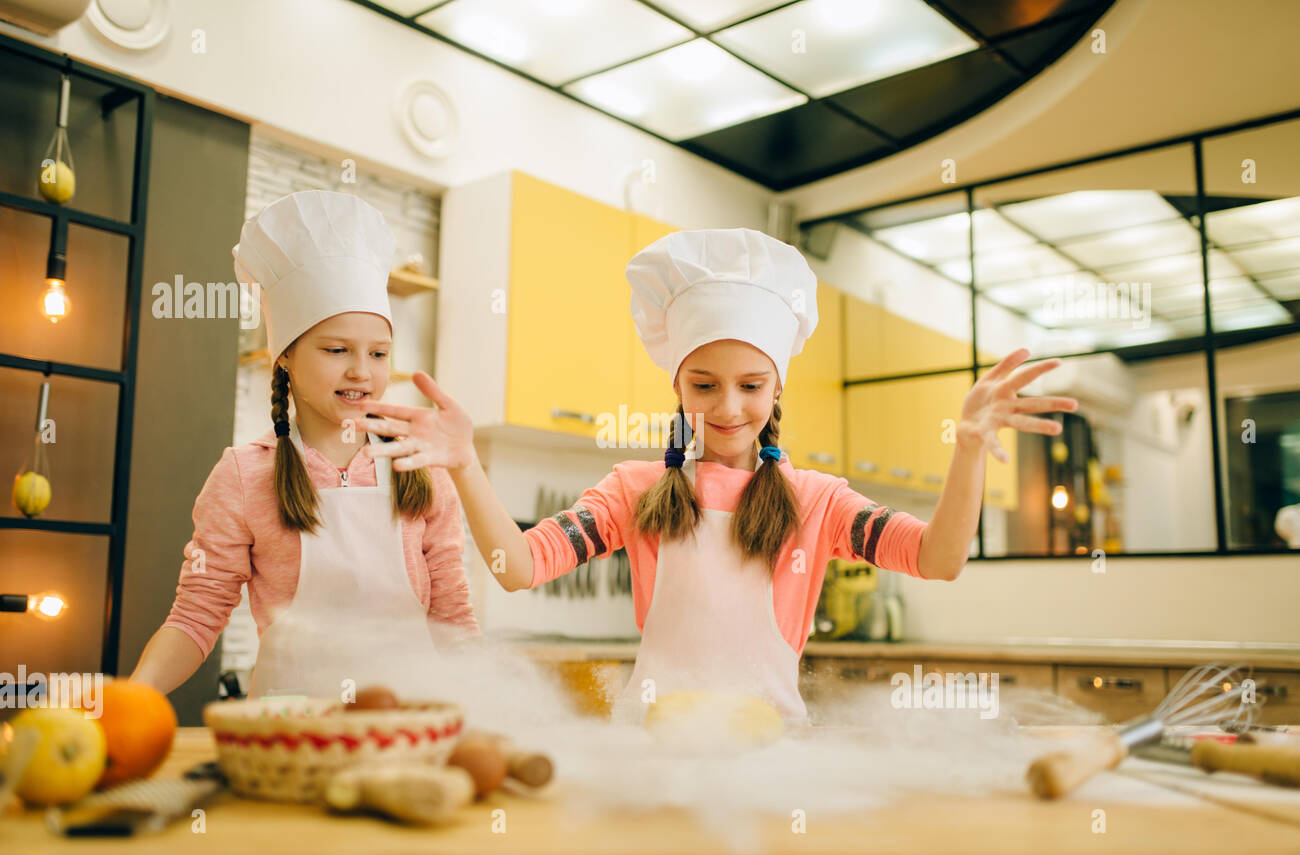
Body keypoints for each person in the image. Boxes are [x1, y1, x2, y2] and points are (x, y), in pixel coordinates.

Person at [355, 227, 1076, 721]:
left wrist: (969, 448)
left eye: (751, 385)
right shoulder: (634, 491)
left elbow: (938, 558)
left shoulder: (815, 501)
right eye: (704, 385)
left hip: (770, 761)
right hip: (650, 753)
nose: (729, 407)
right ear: (678, 388)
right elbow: (517, 567)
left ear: (776, 389)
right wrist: (465, 465)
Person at [131, 190, 477, 699]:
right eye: (336, 350)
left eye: (379, 353)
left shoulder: (421, 468)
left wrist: (492, 707)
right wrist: (133, 697)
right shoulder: (245, 476)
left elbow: (452, 621)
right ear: (286, 357)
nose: (361, 370)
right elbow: (197, 615)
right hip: (288, 735)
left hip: (407, 731)